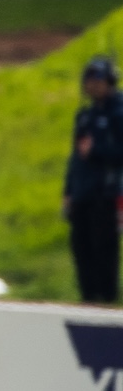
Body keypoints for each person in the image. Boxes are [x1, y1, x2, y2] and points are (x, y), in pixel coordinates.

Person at [65, 55, 123, 304]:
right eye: (89, 81)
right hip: (83, 192)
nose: (93, 86)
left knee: (104, 249)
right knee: (82, 248)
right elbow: (75, 158)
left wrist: (97, 152)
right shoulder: (85, 116)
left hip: (106, 193)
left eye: (98, 80)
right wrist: (69, 191)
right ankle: (87, 298)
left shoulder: (118, 113)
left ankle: (106, 299)